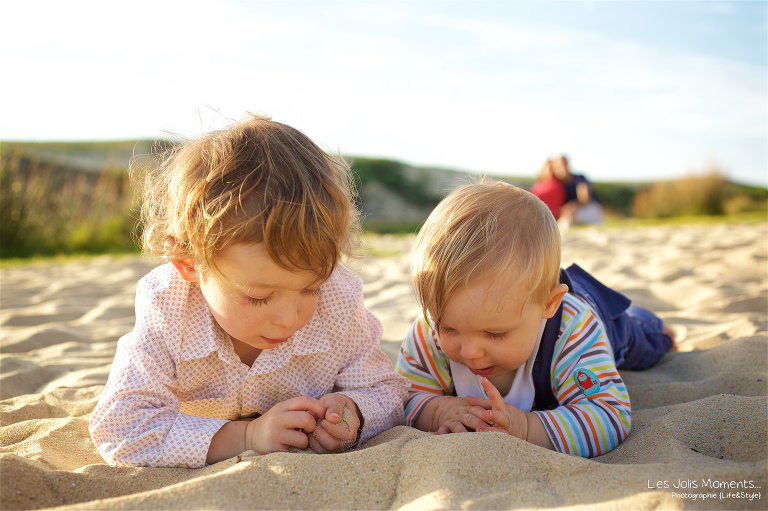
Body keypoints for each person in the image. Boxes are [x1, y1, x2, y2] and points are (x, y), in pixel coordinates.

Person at [89, 114, 409, 468]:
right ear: (189, 264)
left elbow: (388, 392)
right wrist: (246, 436)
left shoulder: (338, 299)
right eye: (259, 296)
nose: (288, 318)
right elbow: (120, 427)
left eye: (311, 289)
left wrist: (353, 413)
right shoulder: (168, 307)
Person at [396, 179, 674, 457]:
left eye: (495, 334)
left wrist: (526, 428)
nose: (470, 352)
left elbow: (608, 416)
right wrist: (438, 410)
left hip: (602, 315)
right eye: (448, 328)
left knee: (643, 339)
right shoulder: (428, 331)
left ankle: (649, 323)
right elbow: (400, 399)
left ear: (549, 304)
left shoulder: (572, 331)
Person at [551, 155, 604, 228]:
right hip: (569, 213)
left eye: (564, 165)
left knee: (568, 220)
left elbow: (585, 199)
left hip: (589, 208)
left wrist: (570, 207)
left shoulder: (579, 179)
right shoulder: (557, 183)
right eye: (558, 166)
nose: (562, 168)